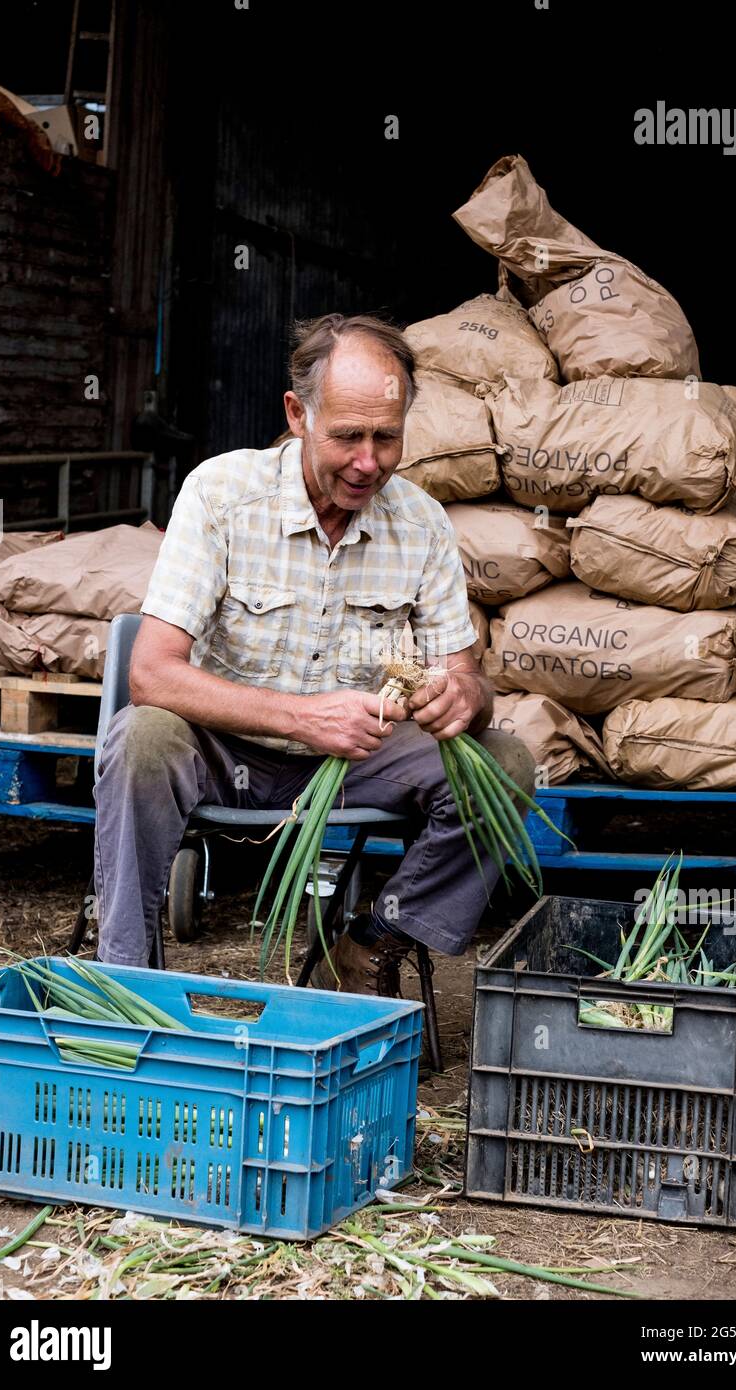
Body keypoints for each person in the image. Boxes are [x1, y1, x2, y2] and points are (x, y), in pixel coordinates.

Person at [93, 313, 534, 994]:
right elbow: (150, 673)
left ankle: (366, 947)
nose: (369, 461)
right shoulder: (222, 495)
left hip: (357, 761)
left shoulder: (421, 524)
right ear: (298, 415)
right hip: (224, 751)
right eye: (348, 437)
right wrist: (301, 717)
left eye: (387, 438)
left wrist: (466, 697)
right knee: (141, 738)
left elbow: (463, 673)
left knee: (503, 766)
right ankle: (126, 985)